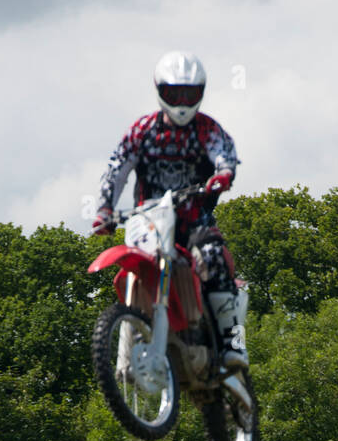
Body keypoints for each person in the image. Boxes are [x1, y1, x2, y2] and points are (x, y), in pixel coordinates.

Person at [92, 51, 246, 369]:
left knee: (214, 257)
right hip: (148, 219)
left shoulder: (206, 129)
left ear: (200, 93)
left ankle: (234, 342)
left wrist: (223, 174)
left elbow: (224, 153)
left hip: (194, 219)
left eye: (189, 94)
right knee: (131, 263)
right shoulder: (144, 131)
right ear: (159, 91)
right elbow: (116, 167)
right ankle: (131, 340)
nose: (181, 101)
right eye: (174, 93)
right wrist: (104, 208)